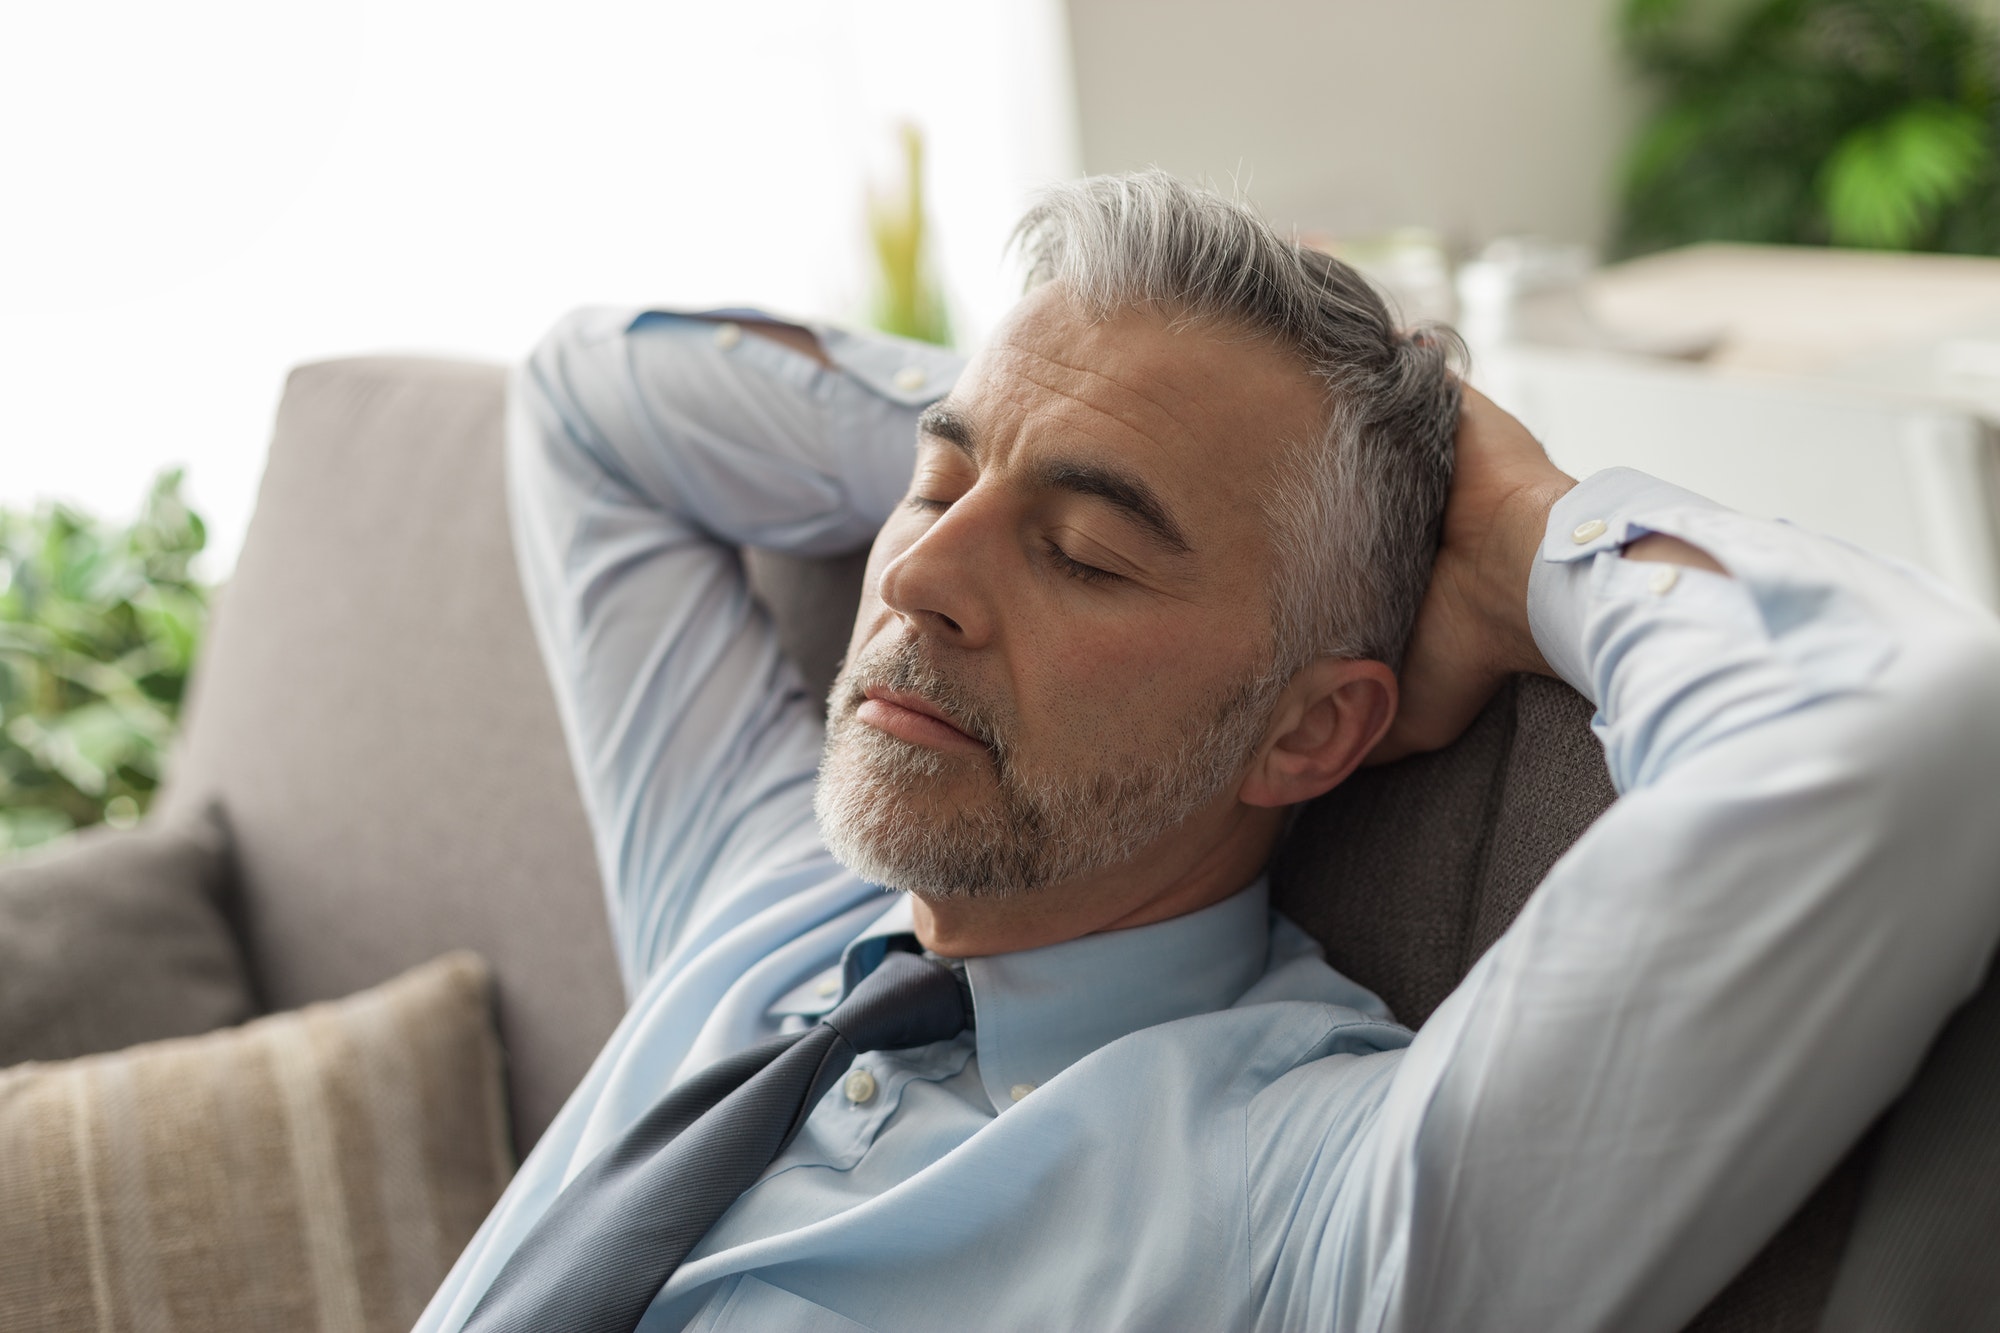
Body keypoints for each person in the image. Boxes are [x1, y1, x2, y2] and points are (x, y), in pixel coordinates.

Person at [415, 172, 2000, 1332]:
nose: (917, 578)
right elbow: (593, 394)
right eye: (932, 487)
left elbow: (1908, 715)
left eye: (1085, 553)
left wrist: (1522, 533)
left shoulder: (1307, 1209)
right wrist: (1034, 411)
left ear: (1310, 727)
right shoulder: (762, 898)